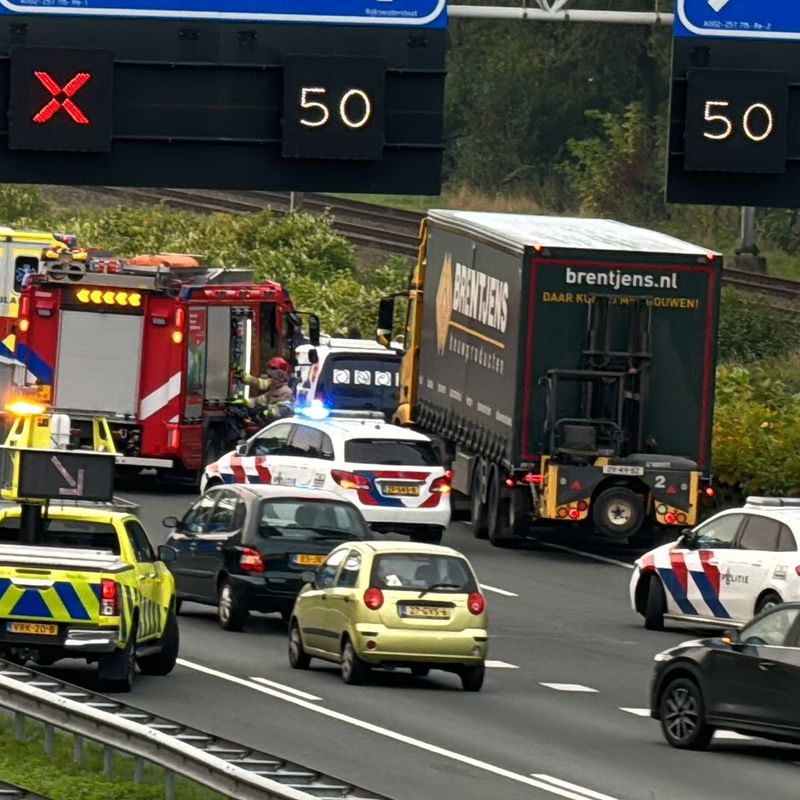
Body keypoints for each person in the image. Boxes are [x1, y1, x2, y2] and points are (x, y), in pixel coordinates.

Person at [230, 357, 295, 421]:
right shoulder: (273, 391)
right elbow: (257, 401)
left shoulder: (287, 392)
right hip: (271, 427)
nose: (269, 380)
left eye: (272, 378)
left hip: (282, 429)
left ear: (280, 376)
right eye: (270, 377)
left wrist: (264, 411)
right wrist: (243, 402)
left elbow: (281, 411)